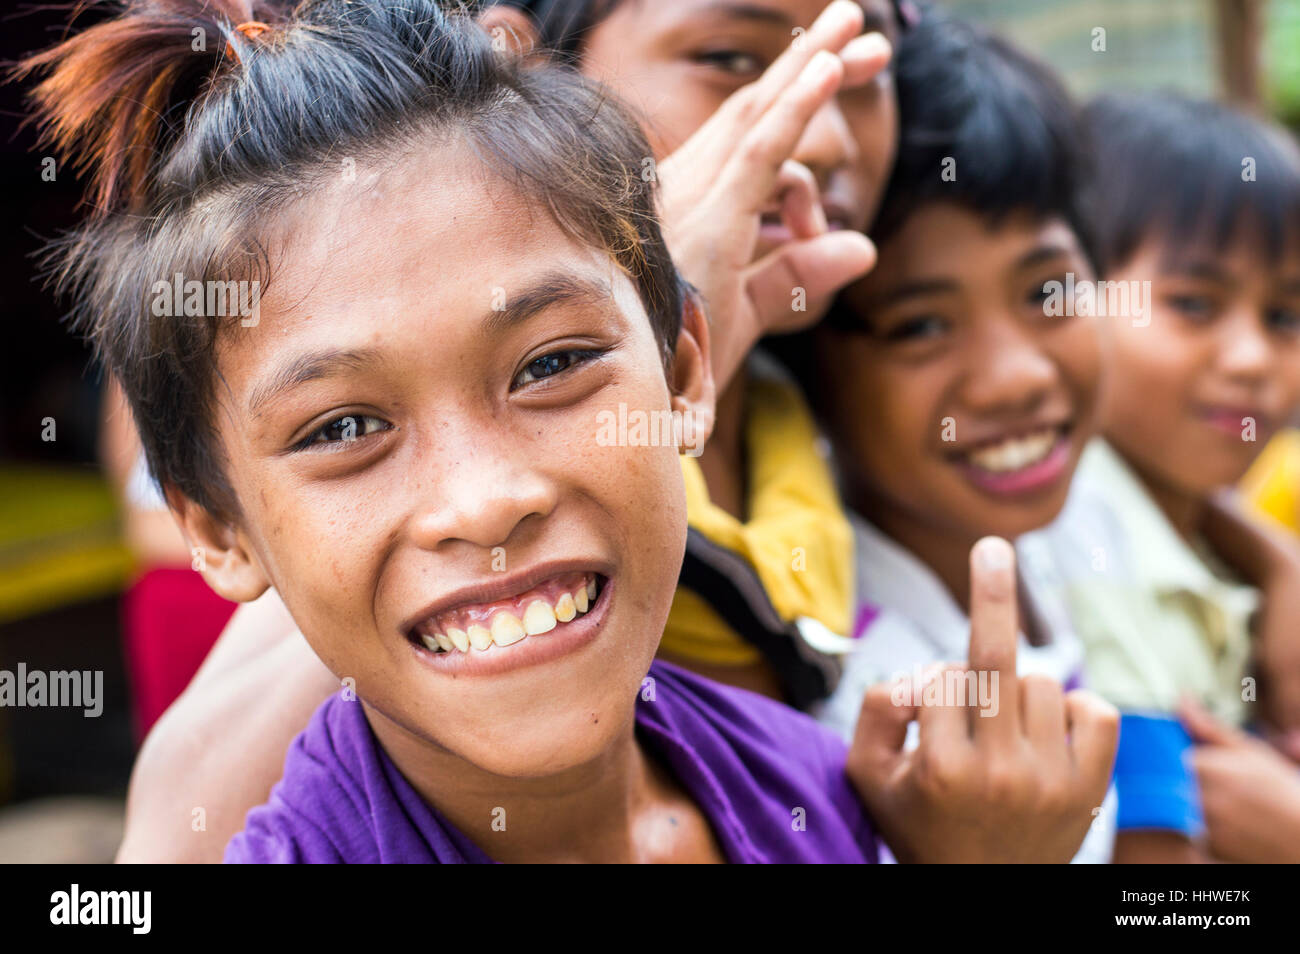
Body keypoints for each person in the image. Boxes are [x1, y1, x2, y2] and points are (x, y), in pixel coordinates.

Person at [24, 0, 1116, 863]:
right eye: (344, 426)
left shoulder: (804, 783)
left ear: (689, 368)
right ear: (218, 530)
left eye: (550, 366)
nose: (487, 497)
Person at [787, 8, 1117, 861]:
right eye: (921, 326)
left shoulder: (1082, 524)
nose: (1015, 377)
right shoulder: (854, 704)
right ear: (808, 370)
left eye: (1048, 294)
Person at [1039, 91, 1300, 862]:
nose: (1251, 359)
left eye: (1285, 317)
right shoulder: (1083, 546)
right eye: (1194, 303)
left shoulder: (1208, 530)